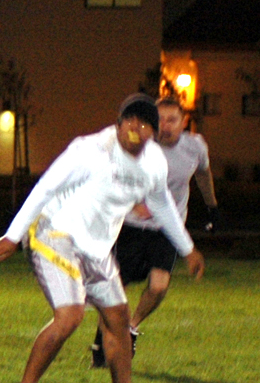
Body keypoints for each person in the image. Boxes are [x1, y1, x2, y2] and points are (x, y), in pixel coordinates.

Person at [0, 94, 203, 383]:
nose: (135, 129)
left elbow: (160, 204)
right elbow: (45, 188)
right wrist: (13, 237)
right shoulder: (90, 151)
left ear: (152, 134)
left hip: (97, 248)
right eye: (130, 121)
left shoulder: (155, 161)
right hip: (56, 236)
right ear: (118, 123)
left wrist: (187, 248)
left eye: (144, 125)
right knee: (70, 316)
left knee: (118, 322)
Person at [89, 96, 219, 367]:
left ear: (184, 121)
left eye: (172, 120)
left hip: (167, 229)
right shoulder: (139, 145)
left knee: (159, 288)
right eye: (159, 120)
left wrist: (212, 206)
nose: (165, 126)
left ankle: (131, 329)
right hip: (132, 227)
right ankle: (101, 344)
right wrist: (135, 203)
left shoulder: (195, 147)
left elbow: (203, 174)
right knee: (115, 290)